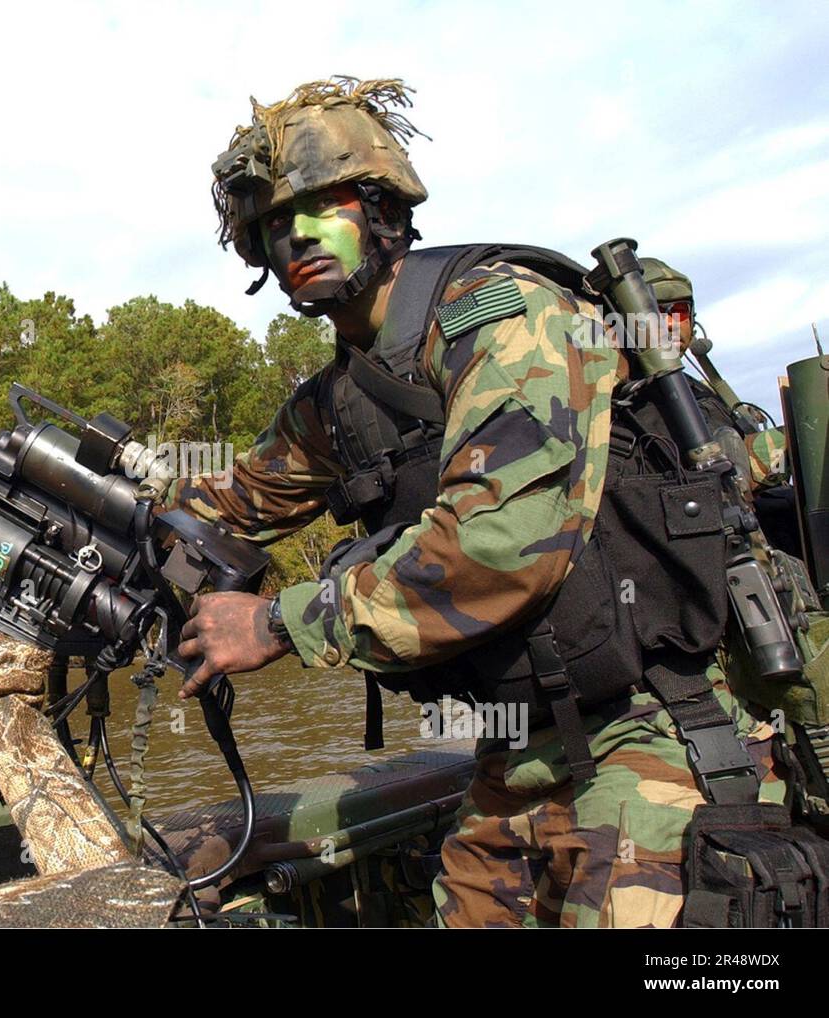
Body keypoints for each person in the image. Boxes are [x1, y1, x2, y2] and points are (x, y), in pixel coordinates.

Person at [168, 76, 786, 928]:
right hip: (517, 755)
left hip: (652, 731)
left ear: (382, 210)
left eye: (322, 206)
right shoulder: (336, 403)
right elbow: (223, 505)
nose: (298, 235)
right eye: (275, 224)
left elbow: (500, 543)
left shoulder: (508, 317)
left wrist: (278, 625)